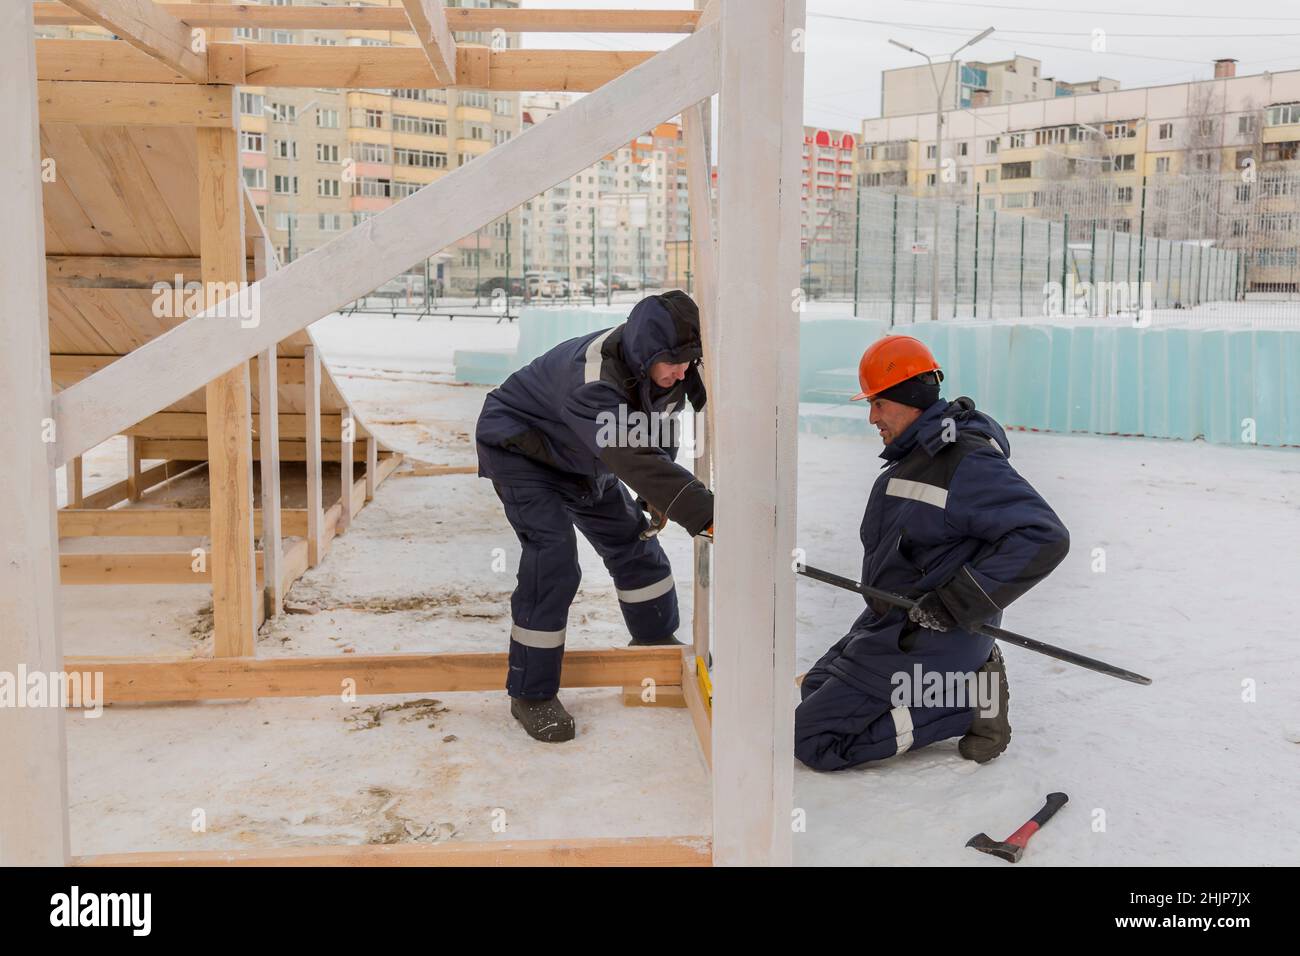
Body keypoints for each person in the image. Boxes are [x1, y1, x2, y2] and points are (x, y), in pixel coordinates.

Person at [795, 335, 1069, 771]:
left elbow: (1044, 535)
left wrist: (955, 603)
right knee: (815, 687)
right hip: (893, 623)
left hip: (932, 635)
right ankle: (960, 679)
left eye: (879, 404)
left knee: (812, 740)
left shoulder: (965, 461)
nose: (872, 417)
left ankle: (965, 704)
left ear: (908, 399)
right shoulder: (918, 455)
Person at [475, 291, 714, 743]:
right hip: (522, 449)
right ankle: (531, 693)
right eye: (674, 361)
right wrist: (703, 511)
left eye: (690, 361)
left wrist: (659, 497)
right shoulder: (594, 379)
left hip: (582, 453)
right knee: (555, 559)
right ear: (646, 350)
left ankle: (655, 643)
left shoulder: (666, 373)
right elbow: (628, 455)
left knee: (634, 541)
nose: (682, 371)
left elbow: (657, 431)